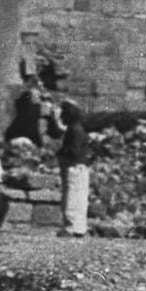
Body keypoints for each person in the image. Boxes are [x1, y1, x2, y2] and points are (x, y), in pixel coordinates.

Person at [56, 100, 91, 237]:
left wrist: (60, 153)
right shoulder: (77, 127)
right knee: (80, 198)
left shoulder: (74, 129)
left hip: (74, 166)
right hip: (80, 167)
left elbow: (73, 151)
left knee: (72, 197)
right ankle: (79, 228)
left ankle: (70, 227)